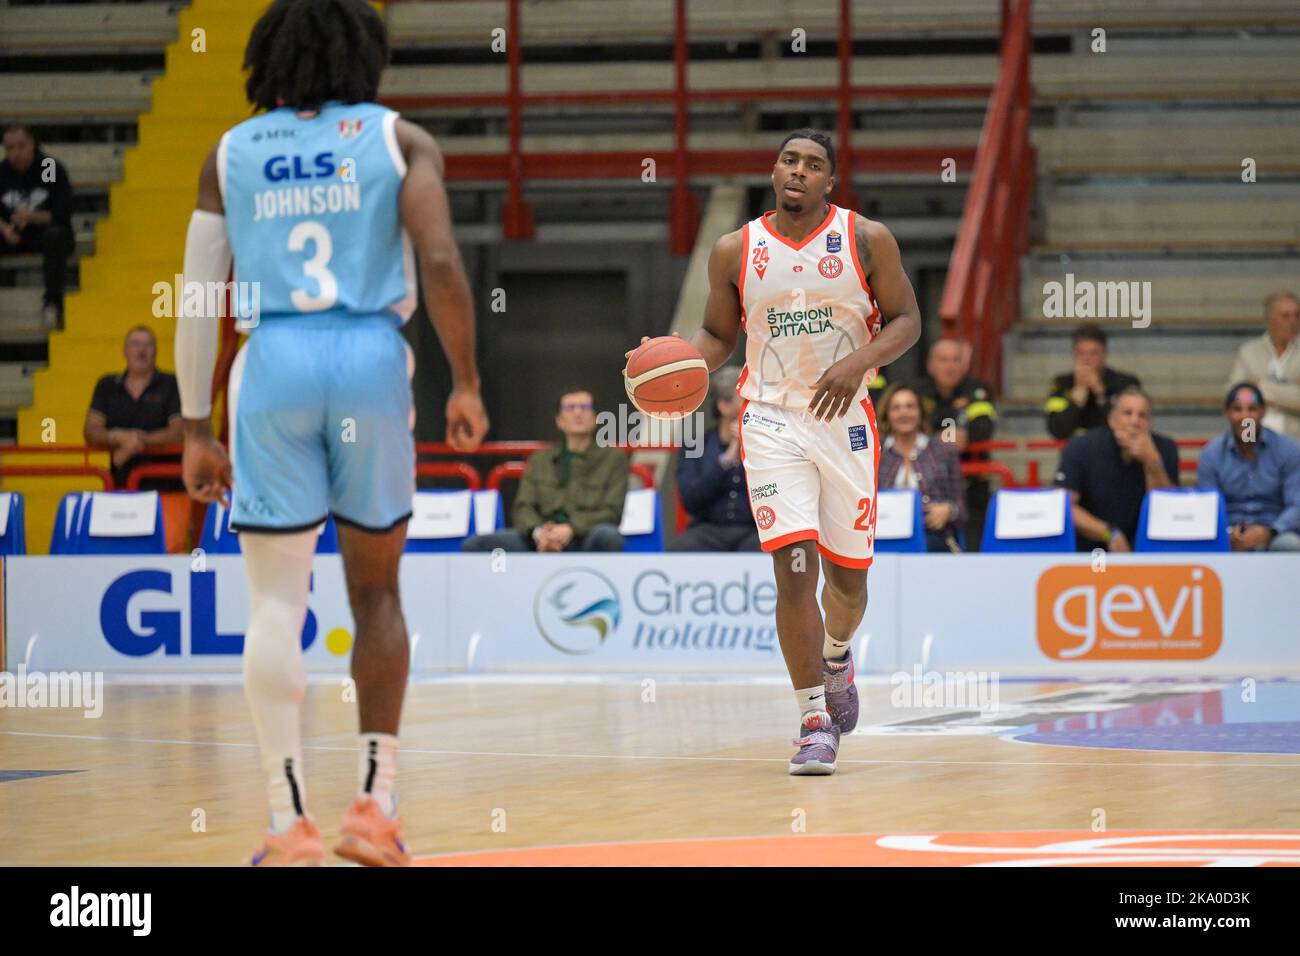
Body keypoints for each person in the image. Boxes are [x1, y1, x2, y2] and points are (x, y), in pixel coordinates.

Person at [175, 0, 489, 867]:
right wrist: (465, 379)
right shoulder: (399, 140)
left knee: (275, 602)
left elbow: (201, 296)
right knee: (377, 596)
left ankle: (285, 826)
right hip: (369, 363)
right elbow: (439, 261)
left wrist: (196, 427)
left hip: (270, 362)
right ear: (367, 57)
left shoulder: (230, 153)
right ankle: (374, 809)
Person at [629, 128, 921, 775]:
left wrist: (861, 363)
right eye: (789, 159)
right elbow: (716, 334)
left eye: (813, 164)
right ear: (775, 170)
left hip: (844, 420)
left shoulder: (866, 239)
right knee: (793, 566)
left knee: (848, 580)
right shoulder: (736, 250)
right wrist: (672, 365)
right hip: (769, 422)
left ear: (830, 182)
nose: (798, 171)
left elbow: (907, 321)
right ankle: (814, 718)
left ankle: (839, 655)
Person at [462, 389, 628, 552]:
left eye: (584, 407)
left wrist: (571, 529)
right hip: (540, 539)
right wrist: (539, 532)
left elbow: (612, 511)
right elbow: (523, 507)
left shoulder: (614, 459)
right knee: (476, 545)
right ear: (559, 420)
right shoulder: (540, 460)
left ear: (595, 417)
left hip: (585, 536)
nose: (578, 413)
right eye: (569, 408)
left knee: (609, 536)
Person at [1054, 386, 1179, 552]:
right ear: (1112, 419)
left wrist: (1152, 462)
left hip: (1149, 550)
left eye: (1142, 415)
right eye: (1127, 413)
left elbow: (1167, 511)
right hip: (1094, 549)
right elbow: (1064, 505)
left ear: (1150, 423)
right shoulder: (1082, 446)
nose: (1135, 421)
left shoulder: (1164, 448)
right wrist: (1108, 533)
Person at [1196, 383, 1300, 551]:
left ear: (1263, 412)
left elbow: (1297, 504)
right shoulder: (1211, 454)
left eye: (1252, 409)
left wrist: (1270, 531)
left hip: (1275, 533)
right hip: (1227, 533)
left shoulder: (1289, 450)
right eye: (1237, 409)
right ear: (1227, 413)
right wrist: (1228, 534)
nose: (1245, 417)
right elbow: (1207, 507)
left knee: (1291, 544)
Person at [913, 337, 996, 549]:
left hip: (972, 484)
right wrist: (938, 440)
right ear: (931, 364)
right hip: (931, 485)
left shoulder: (978, 390)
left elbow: (983, 428)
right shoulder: (917, 391)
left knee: (974, 547)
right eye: (943, 360)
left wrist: (948, 434)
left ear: (964, 364)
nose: (950, 366)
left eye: (956, 360)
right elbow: (911, 430)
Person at [669, 366, 760, 552]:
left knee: (771, 549)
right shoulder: (695, 446)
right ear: (723, 405)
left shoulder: (762, 446)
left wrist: (748, 445)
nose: (752, 404)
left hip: (753, 531)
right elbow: (690, 500)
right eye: (745, 399)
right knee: (682, 549)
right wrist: (727, 458)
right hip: (708, 530)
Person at [84, 326, 184, 488]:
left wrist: (139, 441)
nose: (141, 350)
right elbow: (91, 431)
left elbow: (179, 432)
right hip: (120, 485)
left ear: (156, 352)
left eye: (148, 345)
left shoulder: (172, 384)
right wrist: (116, 436)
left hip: (167, 486)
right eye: (135, 344)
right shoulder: (107, 385)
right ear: (125, 350)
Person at [0, 124, 74, 326]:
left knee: (56, 236)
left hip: (45, 233)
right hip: (13, 234)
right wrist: (4, 228)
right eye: (9, 148)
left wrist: (32, 217)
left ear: (32, 144)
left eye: (21, 146)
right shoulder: (3, 172)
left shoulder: (48, 168)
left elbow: (61, 214)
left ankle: (52, 304)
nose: (15, 153)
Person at [876, 384, 965, 552]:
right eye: (896, 408)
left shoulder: (944, 452)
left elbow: (961, 509)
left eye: (910, 406)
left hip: (932, 536)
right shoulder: (875, 453)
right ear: (887, 415)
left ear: (921, 413)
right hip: (881, 536)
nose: (904, 413)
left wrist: (948, 510)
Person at [1044, 323, 1141, 440]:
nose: (1086, 360)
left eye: (1093, 353)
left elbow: (1128, 428)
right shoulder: (1061, 383)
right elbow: (1057, 430)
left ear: (1105, 354)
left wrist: (1101, 394)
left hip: (1114, 453)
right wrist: (1076, 400)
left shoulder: (1126, 383)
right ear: (1073, 353)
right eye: (1081, 353)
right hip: (1074, 453)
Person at [1226, 292, 1300, 440]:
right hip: (1251, 438)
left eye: (1297, 315)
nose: (1293, 321)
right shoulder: (1248, 352)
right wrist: (1290, 391)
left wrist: (1260, 387)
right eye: (1285, 316)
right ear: (1270, 320)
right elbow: (1234, 396)